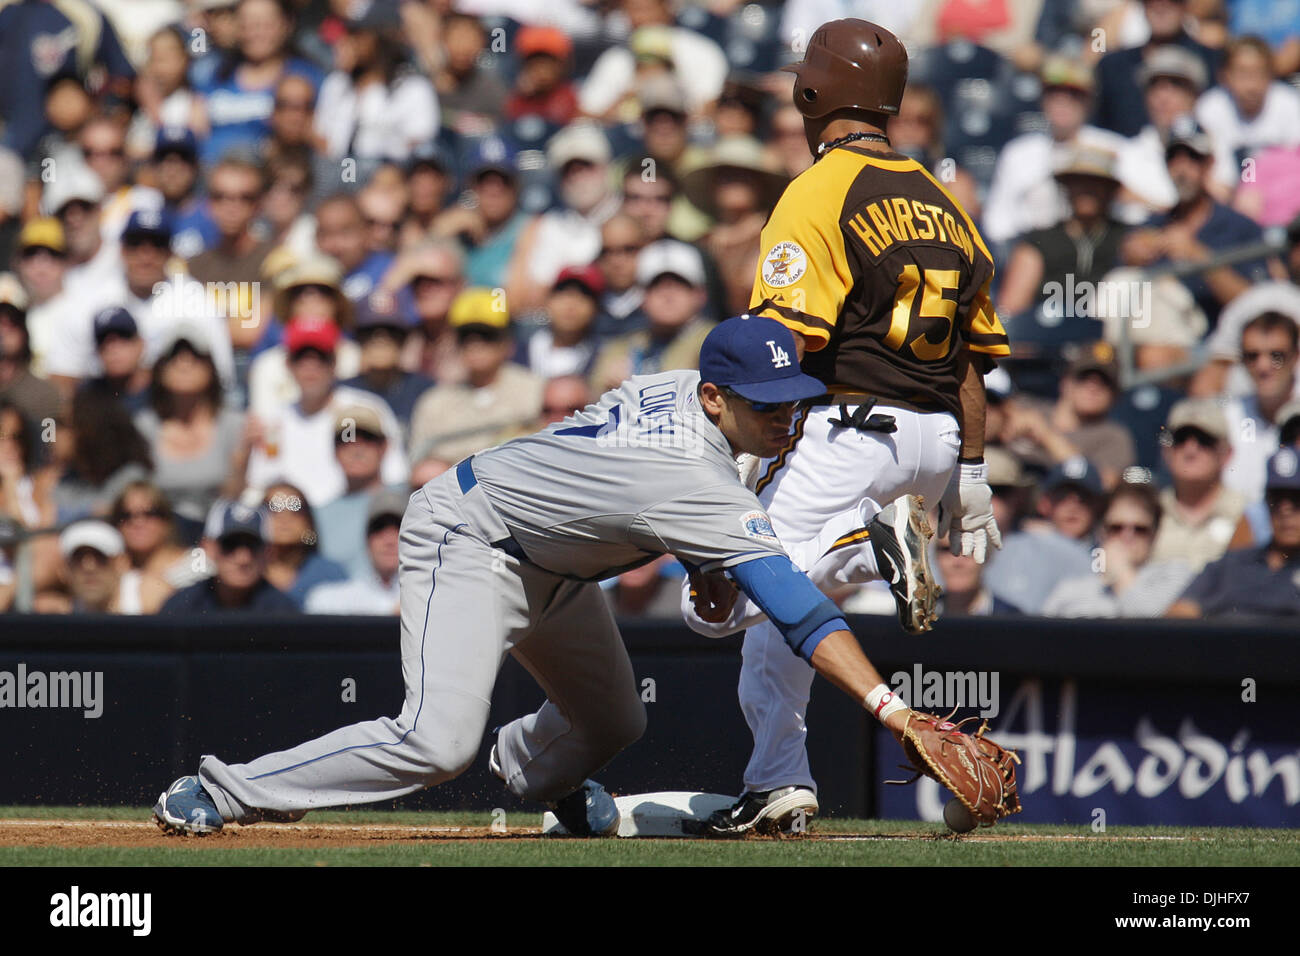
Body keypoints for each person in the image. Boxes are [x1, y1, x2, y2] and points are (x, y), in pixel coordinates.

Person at [150, 315, 941, 839]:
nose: (787, 417)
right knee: (435, 742)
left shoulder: (671, 388)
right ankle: (226, 790)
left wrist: (706, 558)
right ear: (712, 397)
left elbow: (653, 498)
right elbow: (798, 613)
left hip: (558, 560)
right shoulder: (690, 475)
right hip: (470, 536)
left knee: (614, 724)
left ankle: (529, 773)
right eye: (765, 404)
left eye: (792, 399)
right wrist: (897, 715)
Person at [677, 20, 1009, 837]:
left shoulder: (817, 191)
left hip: (849, 430)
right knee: (782, 631)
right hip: (933, 437)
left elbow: (780, 342)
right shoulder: (946, 203)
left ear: (811, 92)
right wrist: (969, 470)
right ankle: (780, 784)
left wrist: (731, 439)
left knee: (723, 605)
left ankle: (870, 546)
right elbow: (972, 361)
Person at [1166, 447, 1300, 617]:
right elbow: (1178, 616)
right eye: (1276, 499)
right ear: (1266, 502)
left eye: (1297, 500)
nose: (1285, 510)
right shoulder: (1232, 565)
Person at [1042, 480, 1194, 617]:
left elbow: (1152, 628)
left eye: (1139, 529)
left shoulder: (1175, 575)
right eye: (1116, 528)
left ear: (1154, 534)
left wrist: (1121, 572)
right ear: (1102, 532)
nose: (1127, 536)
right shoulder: (1073, 587)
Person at [1150, 398, 1252, 572]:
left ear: (1227, 453)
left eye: (1204, 440)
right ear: (1167, 452)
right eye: (1180, 439)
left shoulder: (1246, 514)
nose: (1191, 450)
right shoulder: (1148, 513)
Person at [160, 500, 298, 614]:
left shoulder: (283, 612)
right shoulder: (182, 608)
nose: (243, 558)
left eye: (253, 546)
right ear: (208, 548)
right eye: (230, 545)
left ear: (268, 552)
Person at [305, 488, 405, 615]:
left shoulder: (431, 599)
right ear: (367, 541)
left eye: (400, 528)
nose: (389, 541)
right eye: (379, 528)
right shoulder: (330, 600)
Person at [260, 481, 348, 608]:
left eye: (295, 507)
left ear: (309, 520)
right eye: (274, 507)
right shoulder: (244, 572)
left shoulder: (331, 574)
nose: (285, 517)